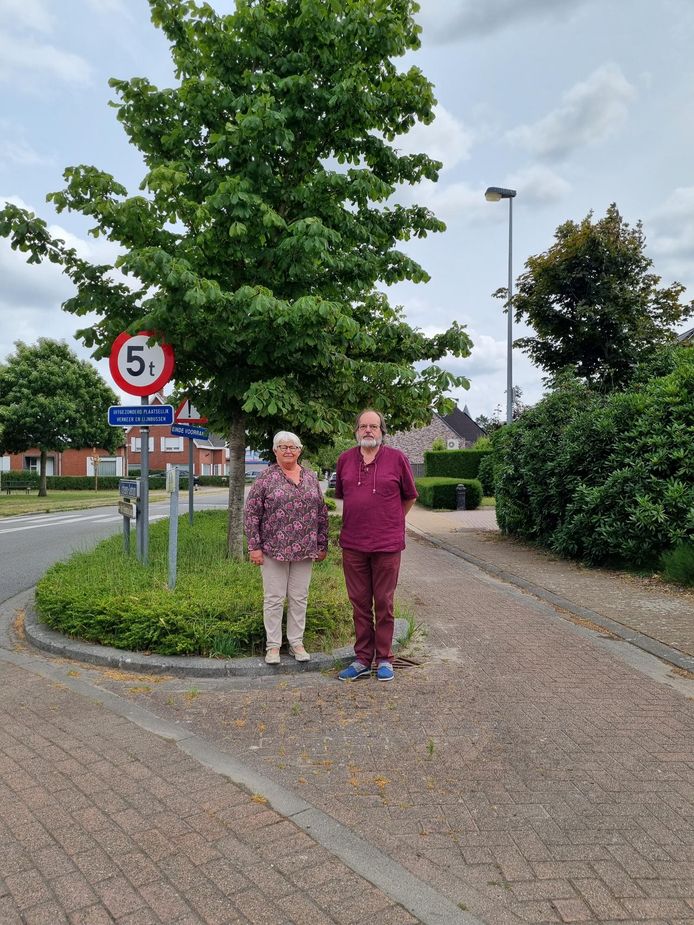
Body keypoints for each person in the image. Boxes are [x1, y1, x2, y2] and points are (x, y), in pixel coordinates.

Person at [334, 409, 417, 682]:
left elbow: (409, 497)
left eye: (374, 426)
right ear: (356, 431)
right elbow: (344, 497)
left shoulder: (397, 459)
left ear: (382, 431)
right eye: (363, 426)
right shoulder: (344, 460)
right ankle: (361, 659)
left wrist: (391, 521)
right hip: (353, 544)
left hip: (386, 544)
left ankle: (384, 658)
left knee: (384, 602)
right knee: (359, 603)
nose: (368, 430)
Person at [244, 431, 328, 665]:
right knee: (273, 598)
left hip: (305, 548)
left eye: (293, 447)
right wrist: (254, 547)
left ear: (300, 450)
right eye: (283, 447)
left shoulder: (310, 477)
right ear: (275, 451)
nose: (288, 450)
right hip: (273, 549)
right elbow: (251, 513)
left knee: (299, 597)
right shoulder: (265, 478)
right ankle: (273, 646)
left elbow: (321, 513)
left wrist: (322, 544)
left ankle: (296, 643)